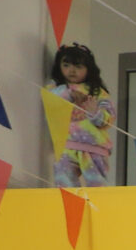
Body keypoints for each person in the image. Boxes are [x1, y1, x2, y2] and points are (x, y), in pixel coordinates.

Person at [45, 42, 115, 188]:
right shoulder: (56, 88)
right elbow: (49, 98)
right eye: (66, 65)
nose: (72, 70)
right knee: (63, 182)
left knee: (97, 186)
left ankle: (99, 210)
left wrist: (94, 112)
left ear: (88, 69)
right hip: (67, 145)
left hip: (95, 146)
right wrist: (70, 94)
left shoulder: (98, 92)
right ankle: (69, 210)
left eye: (78, 66)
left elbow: (109, 119)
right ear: (59, 66)